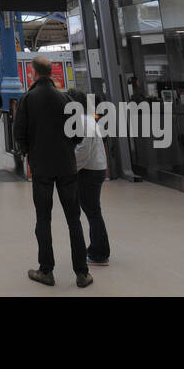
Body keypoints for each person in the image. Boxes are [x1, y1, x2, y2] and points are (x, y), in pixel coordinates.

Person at [13, 57, 91, 289]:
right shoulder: (66, 98)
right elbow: (77, 134)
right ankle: (82, 273)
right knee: (73, 219)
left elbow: (19, 134)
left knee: (43, 219)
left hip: (41, 168)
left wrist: (30, 152)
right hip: (66, 167)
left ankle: (46, 270)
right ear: (51, 73)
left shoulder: (27, 99)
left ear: (33, 73)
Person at [67, 89, 110, 266]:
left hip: (89, 171)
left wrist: (71, 168)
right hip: (95, 168)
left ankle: (99, 252)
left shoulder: (83, 121)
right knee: (93, 210)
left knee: (92, 211)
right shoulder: (87, 119)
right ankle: (98, 249)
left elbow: (83, 151)